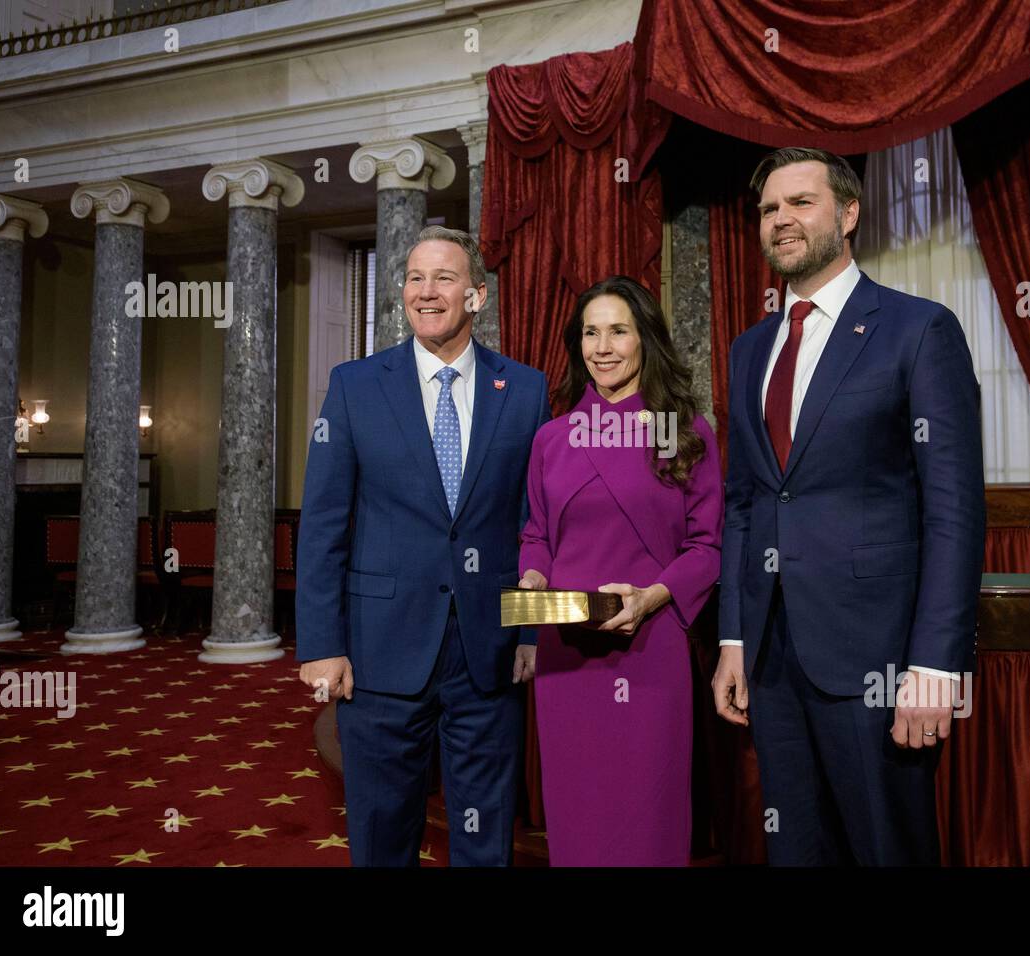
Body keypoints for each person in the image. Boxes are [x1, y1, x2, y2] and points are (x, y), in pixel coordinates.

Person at [712, 147, 985, 866]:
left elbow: (953, 510)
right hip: (772, 664)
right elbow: (744, 504)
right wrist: (734, 640)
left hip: (878, 665)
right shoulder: (748, 351)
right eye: (770, 209)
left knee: (887, 851)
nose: (781, 220)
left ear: (849, 212)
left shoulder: (918, 330)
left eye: (800, 202)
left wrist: (935, 663)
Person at [296, 225, 550, 866]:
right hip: (378, 652)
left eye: (443, 277)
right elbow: (324, 525)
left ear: (477, 296)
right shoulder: (354, 386)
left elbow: (534, 524)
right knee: (382, 837)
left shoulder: (524, 389)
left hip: (487, 655)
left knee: (484, 841)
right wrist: (323, 645)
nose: (426, 291)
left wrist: (529, 633)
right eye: (414, 277)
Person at [517, 275, 723, 866]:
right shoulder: (551, 439)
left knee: (647, 815)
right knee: (578, 811)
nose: (601, 347)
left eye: (617, 331)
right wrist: (533, 578)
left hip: (651, 649)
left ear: (645, 341)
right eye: (589, 332)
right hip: (566, 655)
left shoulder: (683, 434)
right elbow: (537, 534)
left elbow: (708, 548)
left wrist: (653, 596)